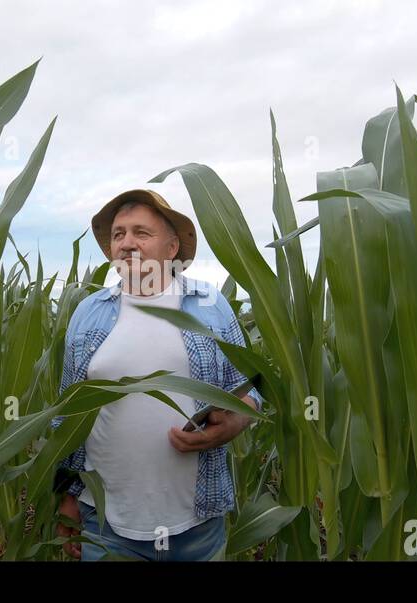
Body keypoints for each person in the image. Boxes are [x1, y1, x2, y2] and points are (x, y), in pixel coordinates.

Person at [52, 188, 263, 561]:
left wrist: (231, 425)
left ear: (171, 249)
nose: (126, 243)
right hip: (104, 522)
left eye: (141, 233)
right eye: (119, 234)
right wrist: (67, 498)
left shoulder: (210, 306)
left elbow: (248, 391)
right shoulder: (88, 313)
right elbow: (68, 414)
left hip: (196, 524)